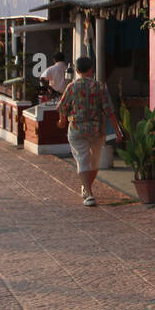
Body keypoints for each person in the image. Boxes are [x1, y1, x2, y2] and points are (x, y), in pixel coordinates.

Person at [57, 56, 123, 207]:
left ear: (78, 71)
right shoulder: (100, 87)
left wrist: (61, 121)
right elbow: (109, 111)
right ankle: (88, 190)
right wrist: (118, 131)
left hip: (77, 129)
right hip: (96, 130)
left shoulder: (72, 87)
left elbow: (62, 107)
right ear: (91, 69)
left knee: (82, 160)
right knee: (94, 161)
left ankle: (88, 192)